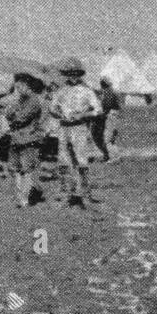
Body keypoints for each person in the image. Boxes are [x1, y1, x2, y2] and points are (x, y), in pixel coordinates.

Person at [48, 58, 103, 208]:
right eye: (69, 73)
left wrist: (83, 115)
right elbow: (52, 108)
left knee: (81, 160)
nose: (73, 76)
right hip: (64, 127)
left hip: (79, 128)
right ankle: (68, 194)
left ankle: (84, 195)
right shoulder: (60, 90)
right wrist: (58, 113)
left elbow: (98, 109)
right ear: (66, 74)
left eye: (76, 73)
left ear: (80, 74)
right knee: (64, 160)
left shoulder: (87, 91)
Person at [5, 73, 46, 207]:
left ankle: (25, 199)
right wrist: (12, 114)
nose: (18, 90)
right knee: (15, 169)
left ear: (26, 85)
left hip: (29, 139)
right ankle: (20, 198)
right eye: (16, 87)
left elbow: (20, 118)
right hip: (16, 139)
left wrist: (13, 115)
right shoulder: (19, 100)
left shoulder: (34, 100)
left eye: (19, 87)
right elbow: (8, 114)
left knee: (26, 170)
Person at [91, 78, 122, 162]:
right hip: (113, 116)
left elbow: (106, 107)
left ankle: (115, 158)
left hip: (110, 116)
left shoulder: (108, 92)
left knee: (108, 140)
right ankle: (114, 157)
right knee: (109, 139)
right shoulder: (110, 91)